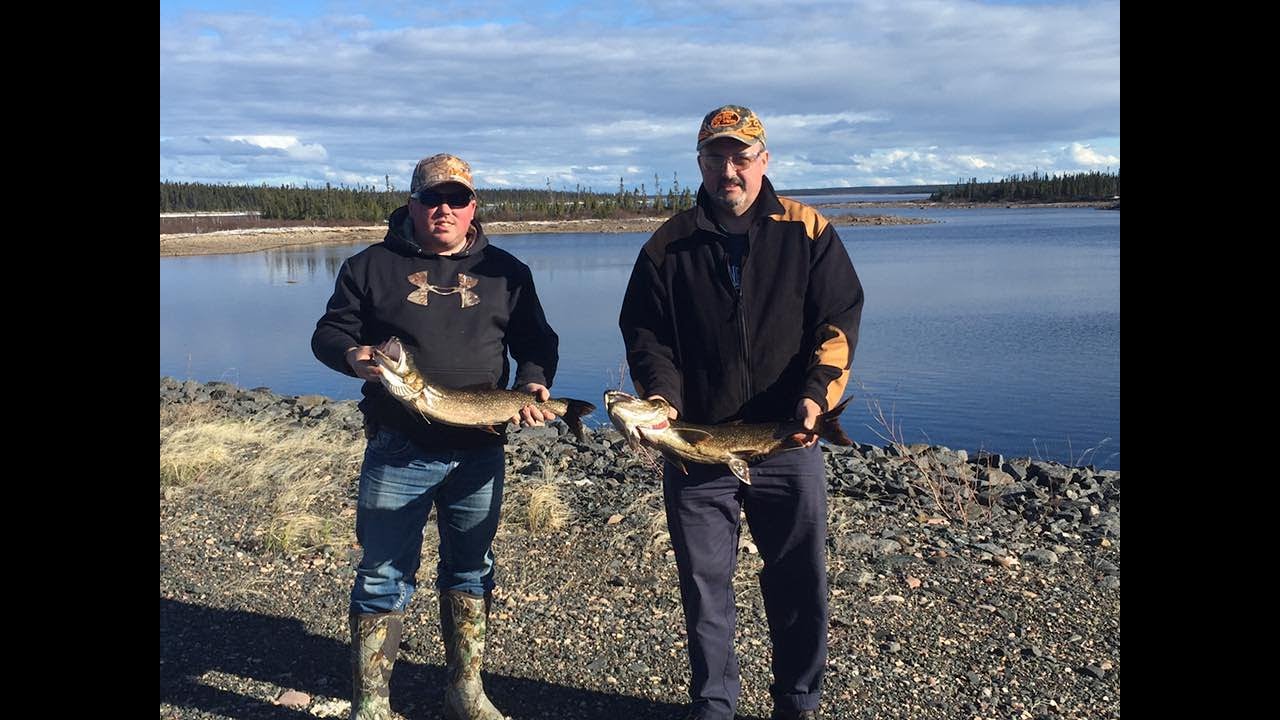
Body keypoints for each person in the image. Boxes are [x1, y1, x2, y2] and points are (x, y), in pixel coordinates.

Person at [618, 105, 865, 720]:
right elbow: (647, 337)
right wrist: (660, 400)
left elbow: (838, 321)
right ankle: (714, 705)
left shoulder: (807, 230)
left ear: (764, 159)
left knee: (798, 579)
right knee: (705, 590)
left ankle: (798, 701)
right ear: (699, 162)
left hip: (789, 441)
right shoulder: (667, 245)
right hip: (695, 444)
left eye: (741, 156)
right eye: (715, 157)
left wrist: (816, 397)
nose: (729, 170)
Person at [312, 153, 559, 720]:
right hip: (398, 448)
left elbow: (537, 343)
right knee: (381, 574)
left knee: (471, 568)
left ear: (474, 205)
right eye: (431, 198)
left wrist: (536, 385)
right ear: (412, 204)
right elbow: (330, 332)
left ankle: (465, 692)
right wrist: (353, 356)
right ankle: (370, 704)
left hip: (480, 448)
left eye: (456, 198)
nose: (443, 208)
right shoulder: (369, 266)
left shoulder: (507, 272)